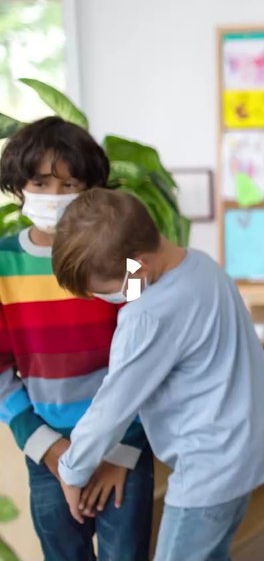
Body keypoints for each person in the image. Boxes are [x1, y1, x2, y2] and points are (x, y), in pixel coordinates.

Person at [51, 188, 264, 561]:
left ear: (139, 264)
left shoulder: (147, 315)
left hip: (207, 472)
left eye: (106, 292)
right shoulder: (201, 265)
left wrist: (71, 472)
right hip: (243, 455)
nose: (110, 300)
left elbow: (112, 406)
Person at [0, 117, 153, 560]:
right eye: (41, 182)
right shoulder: (4, 264)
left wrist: (123, 450)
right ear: (18, 185)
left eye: (70, 184)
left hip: (122, 449)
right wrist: (49, 449)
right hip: (46, 447)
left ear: (92, 190)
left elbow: (147, 357)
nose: (54, 197)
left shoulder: (129, 264)